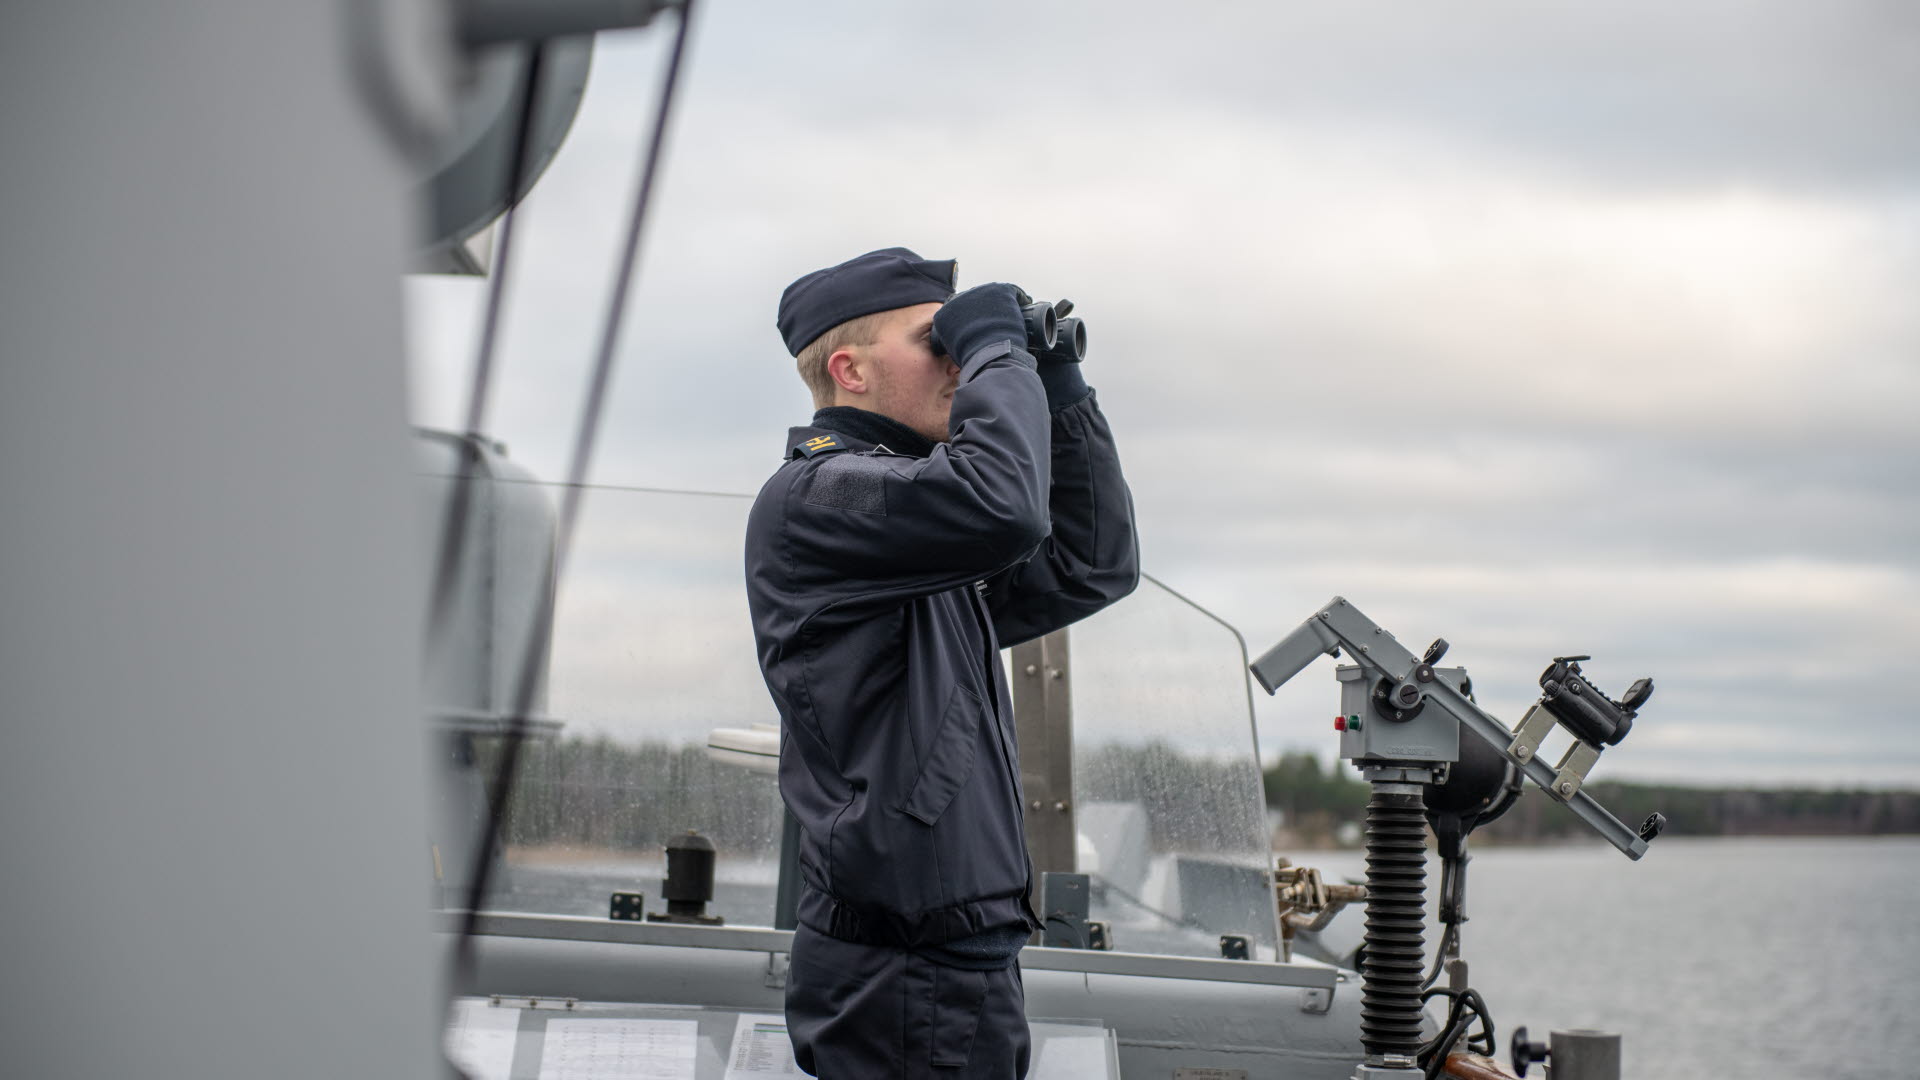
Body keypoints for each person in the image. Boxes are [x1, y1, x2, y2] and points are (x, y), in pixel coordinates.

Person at [744, 247, 1138, 1078]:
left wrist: (1057, 384)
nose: (959, 362)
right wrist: (996, 345)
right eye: (938, 340)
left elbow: (1090, 564)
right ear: (850, 371)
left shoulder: (910, 525)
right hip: (902, 972)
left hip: (958, 958)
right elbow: (1002, 510)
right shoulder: (821, 496)